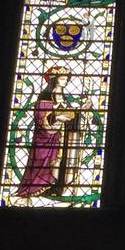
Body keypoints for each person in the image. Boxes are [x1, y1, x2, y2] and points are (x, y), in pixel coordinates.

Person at [15, 68, 93, 202]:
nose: (65, 81)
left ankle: (56, 187)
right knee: (46, 163)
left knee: (58, 162)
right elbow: (41, 117)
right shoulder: (45, 96)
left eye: (66, 79)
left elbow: (69, 114)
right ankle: (38, 187)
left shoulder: (63, 97)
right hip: (46, 137)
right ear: (54, 80)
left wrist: (82, 110)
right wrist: (57, 119)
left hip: (60, 137)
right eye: (62, 78)